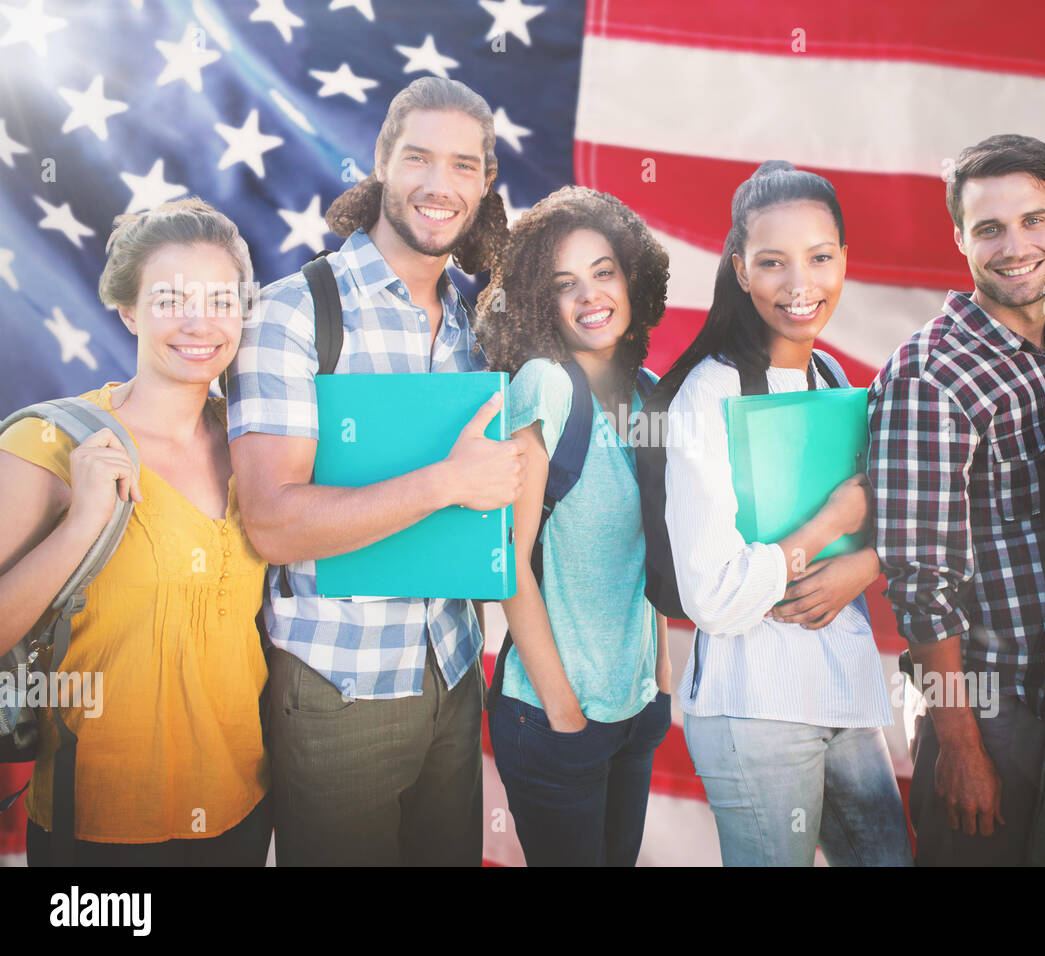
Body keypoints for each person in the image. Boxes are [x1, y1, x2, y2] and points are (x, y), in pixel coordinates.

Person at [227, 76, 523, 866]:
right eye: (419, 158)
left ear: (485, 183)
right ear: (380, 164)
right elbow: (273, 523)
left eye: (464, 166)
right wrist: (447, 483)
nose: (440, 184)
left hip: (454, 670)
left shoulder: (473, 322)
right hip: (338, 683)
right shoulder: (296, 311)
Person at [0, 198, 270, 865]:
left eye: (219, 299)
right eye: (170, 298)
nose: (199, 322)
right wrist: (82, 526)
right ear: (128, 311)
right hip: (96, 826)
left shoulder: (258, 444)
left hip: (243, 809)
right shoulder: (49, 441)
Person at [657, 161, 910, 867]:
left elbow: (882, 525)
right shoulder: (709, 394)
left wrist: (859, 564)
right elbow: (712, 595)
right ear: (740, 271)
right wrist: (827, 528)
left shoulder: (832, 378)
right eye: (772, 262)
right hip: (756, 707)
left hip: (843, 690)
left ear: (844, 261)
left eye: (820, 258)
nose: (801, 285)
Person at [868, 134, 1045, 865]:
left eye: (1033, 220)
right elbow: (922, 584)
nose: (1014, 245)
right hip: (991, 715)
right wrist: (960, 745)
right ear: (960, 237)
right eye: (989, 228)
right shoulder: (930, 375)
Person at [475, 186, 673, 866]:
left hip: (635, 710)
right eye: (566, 284)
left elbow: (654, 555)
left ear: (632, 276)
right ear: (541, 301)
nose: (590, 296)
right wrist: (564, 711)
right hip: (555, 715)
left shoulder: (648, 390)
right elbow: (506, 560)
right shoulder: (546, 386)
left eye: (604, 272)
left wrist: (660, 682)